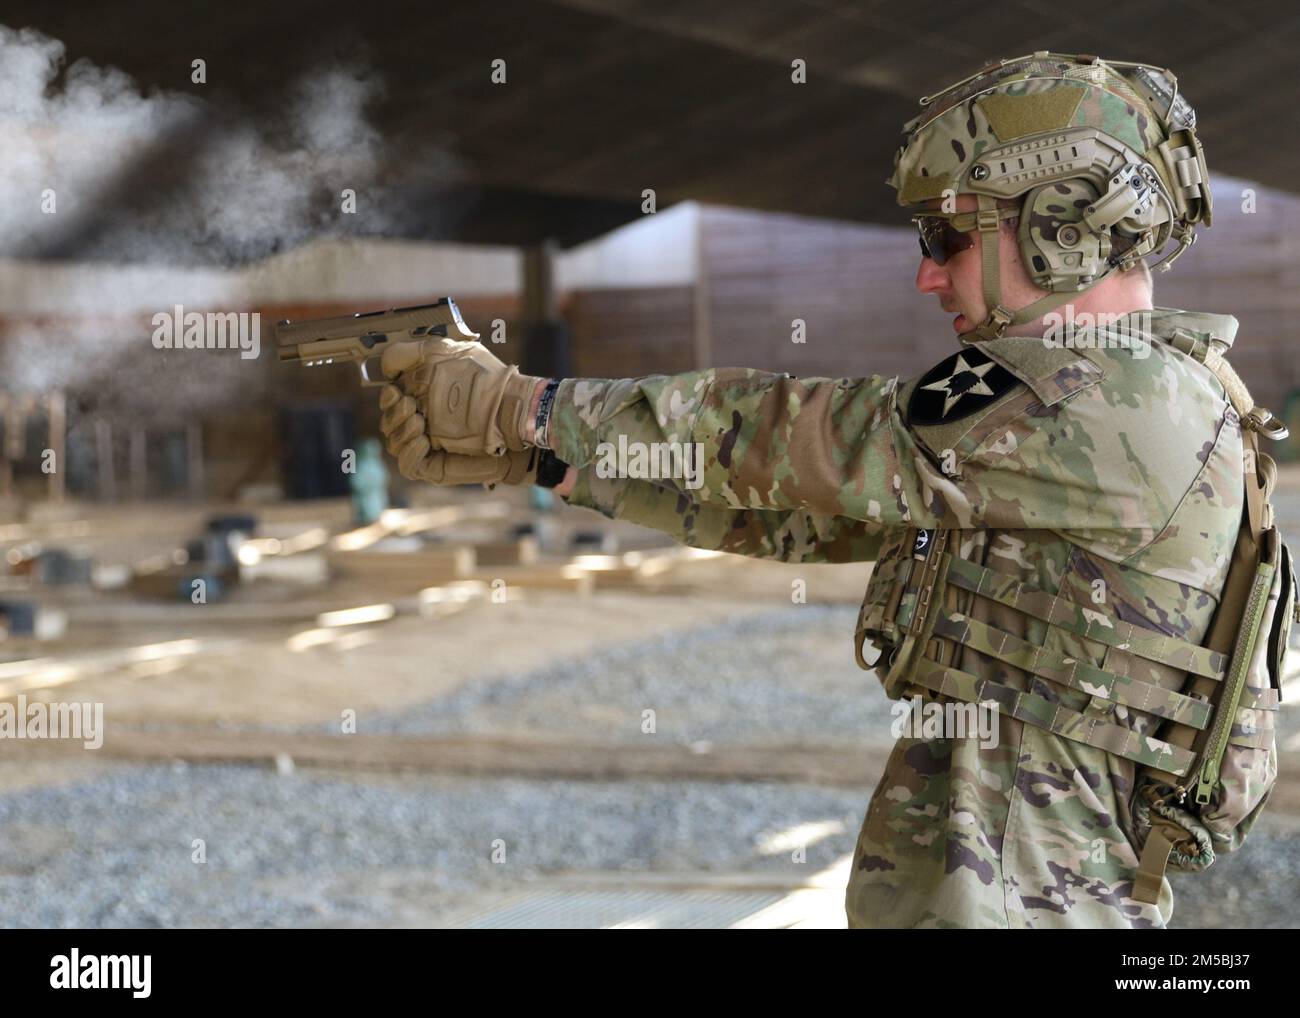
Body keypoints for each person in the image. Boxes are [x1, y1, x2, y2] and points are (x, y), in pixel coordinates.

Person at [376, 53, 1257, 928]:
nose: (927, 273)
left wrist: (524, 408)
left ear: (1060, 226)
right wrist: (553, 463)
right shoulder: (1129, 398)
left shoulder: (1113, 400)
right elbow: (808, 514)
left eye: (946, 236)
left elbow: (793, 434)